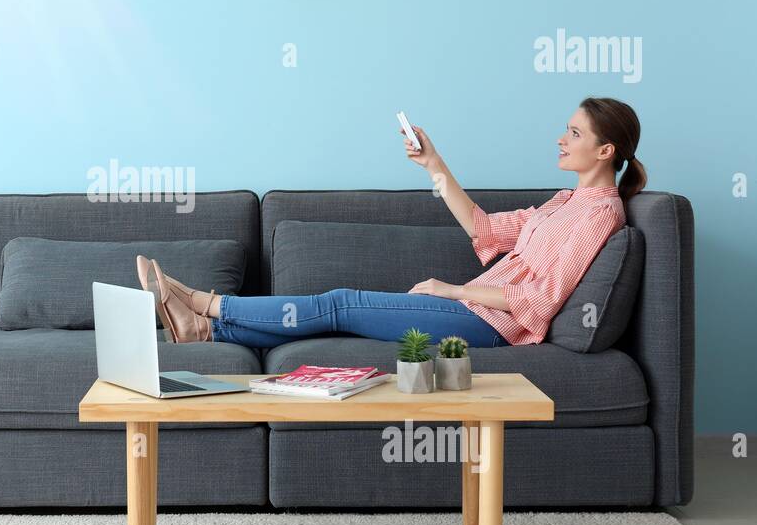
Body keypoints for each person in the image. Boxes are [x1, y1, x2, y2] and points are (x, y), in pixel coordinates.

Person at [139, 96, 646, 349]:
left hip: (490, 324)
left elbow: (541, 300)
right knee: (334, 315)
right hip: (475, 310)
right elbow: (483, 227)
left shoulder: (601, 212)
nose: (562, 139)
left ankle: (203, 304)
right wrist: (433, 163)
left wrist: (452, 292)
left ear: (605, 150)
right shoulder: (563, 202)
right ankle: (202, 328)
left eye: (574, 133)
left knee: (340, 303)